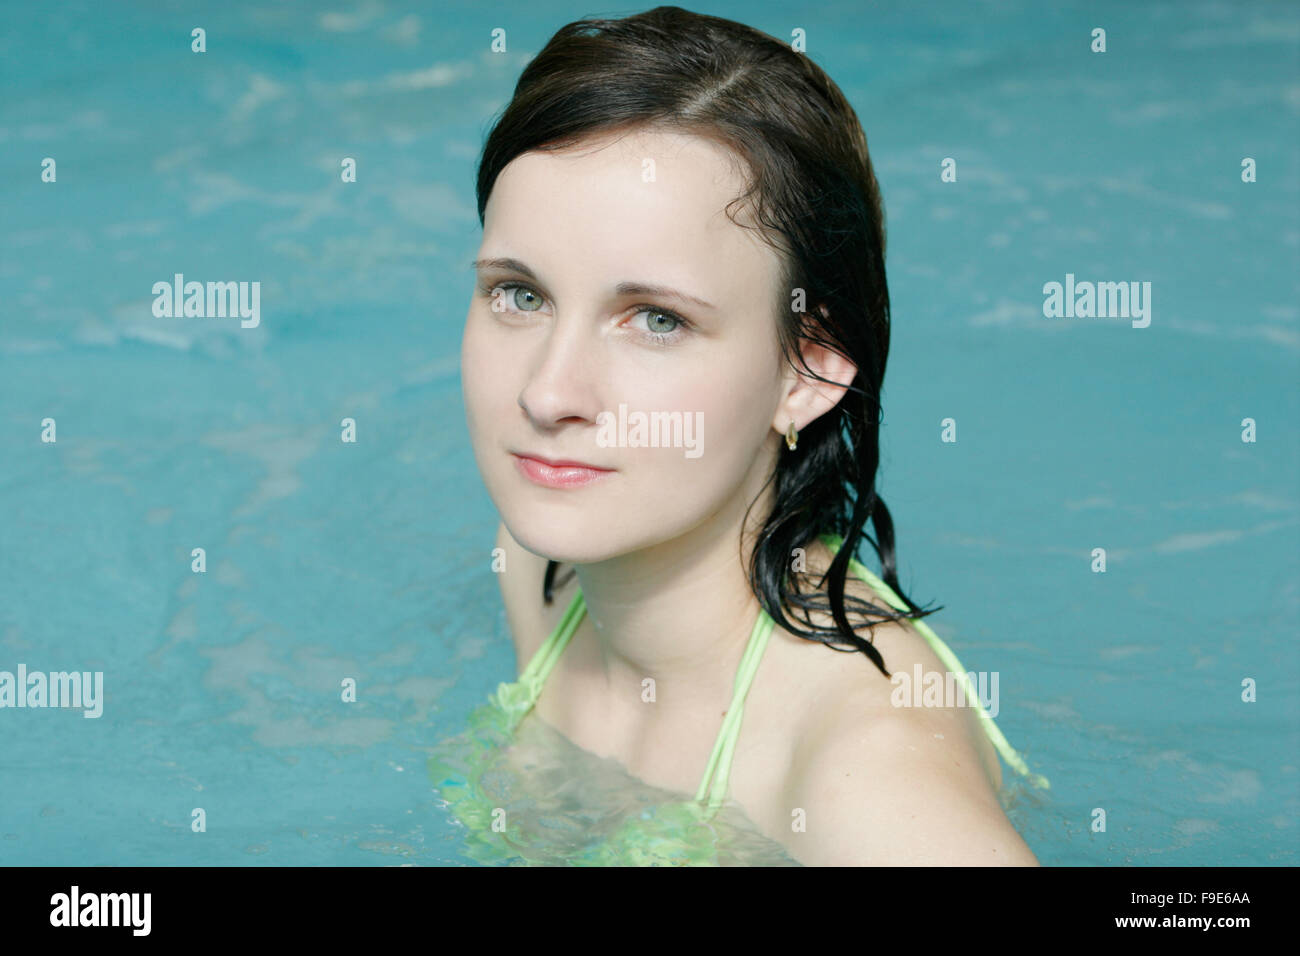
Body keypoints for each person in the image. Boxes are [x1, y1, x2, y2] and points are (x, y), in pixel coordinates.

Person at [447, 4, 1047, 866]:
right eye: (519, 294)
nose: (548, 395)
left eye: (655, 319)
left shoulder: (864, 776)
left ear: (806, 370)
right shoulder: (538, 557)